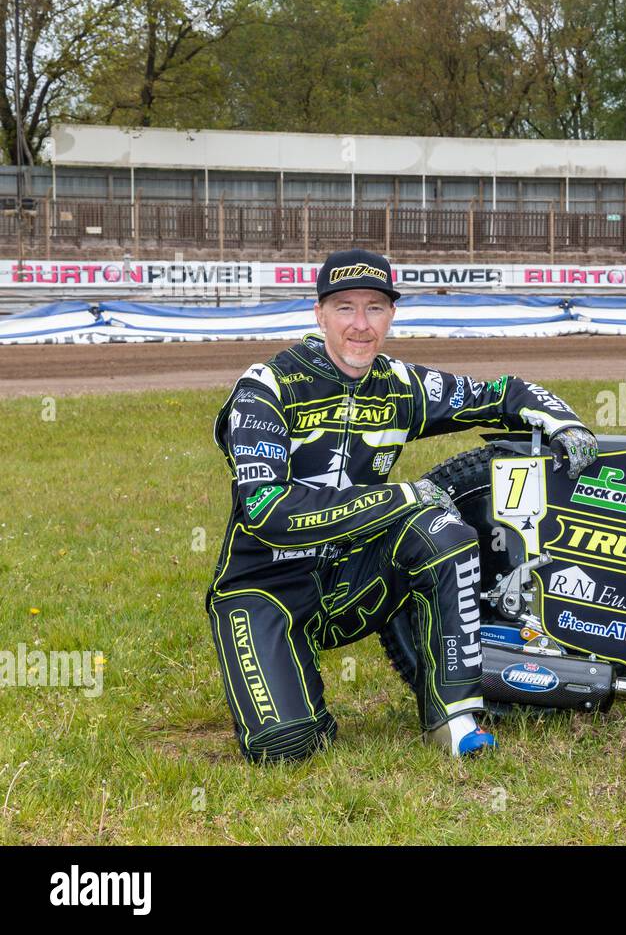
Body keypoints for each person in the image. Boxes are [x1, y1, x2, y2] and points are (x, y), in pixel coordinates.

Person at [205, 248, 599, 763]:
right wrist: (400, 496)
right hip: (265, 586)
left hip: (352, 578)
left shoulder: (400, 384)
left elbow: (504, 392)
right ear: (319, 313)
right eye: (345, 308)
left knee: (442, 530)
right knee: (286, 748)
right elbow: (267, 511)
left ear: (392, 314)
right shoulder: (267, 386)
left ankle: (453, 719)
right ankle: (293, 699)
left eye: (375, 307)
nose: (361, 325)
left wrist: (563, 422)